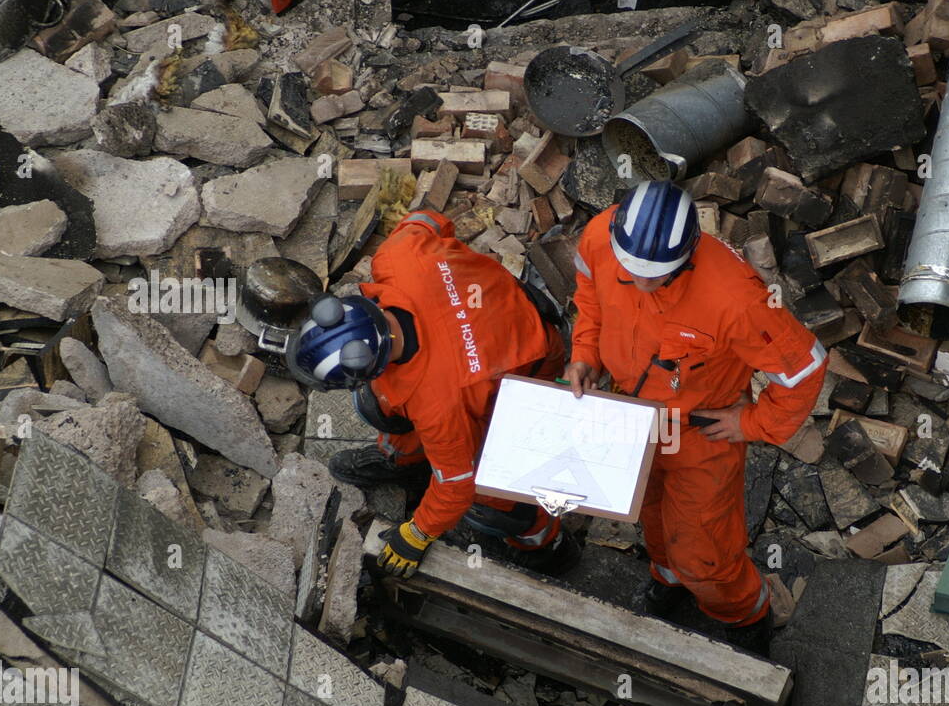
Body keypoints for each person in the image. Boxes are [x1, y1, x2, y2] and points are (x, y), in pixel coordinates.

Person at [565, 181, 827, 650]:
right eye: (633, 270)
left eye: (656, 275)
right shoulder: (601, 236)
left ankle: (744, 617)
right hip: (633, 416)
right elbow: (589, 295)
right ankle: (668, 578)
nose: (641, 282)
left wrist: (749, 424)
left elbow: (805, 368)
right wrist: (585, 352)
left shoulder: (735, 297)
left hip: (699, 436)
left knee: (704, 551)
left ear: (687, 254)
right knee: (651, 512)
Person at [286, 208, 578, 578]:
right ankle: (402, 461)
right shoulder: (398, 257)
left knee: (492, 496)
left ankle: (545, 545)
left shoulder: (440, 405)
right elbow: (428, 219)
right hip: (516, 311)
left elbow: (457, 484)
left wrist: (417, 533)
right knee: (383, 405)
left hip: (531, 369)